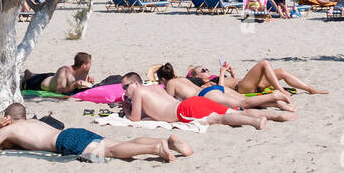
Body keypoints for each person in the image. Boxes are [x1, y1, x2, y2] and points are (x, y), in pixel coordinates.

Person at [0, 102, 191, 162]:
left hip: (66, 141)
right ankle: (167, 141)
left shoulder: (10, 128)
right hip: (74, 132)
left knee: (113, 152)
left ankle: (155, 147)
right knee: (116, 143)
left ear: (9, 118)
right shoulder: (33, 123)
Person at [122, 73, 294, 128]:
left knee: (220, 118)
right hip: (193, 102)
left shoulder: (138, 92)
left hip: (183, 111)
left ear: (135, 83)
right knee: (237, 109)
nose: (125, 91)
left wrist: (126, 109)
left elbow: (136, 118)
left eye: (125, 87)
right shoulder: (154, 88)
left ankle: (255, 122)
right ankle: (276, 115)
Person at [147, 63, 296, 111]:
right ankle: (278, 103)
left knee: (243, 103)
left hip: (207, 95)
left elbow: (169, 103)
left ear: (163, 79)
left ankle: (275, 95)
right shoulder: (182, 79)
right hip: (218, 89)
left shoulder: (172, 84)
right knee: (244, 103)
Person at [193, 59, 326, 96]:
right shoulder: (207, 84)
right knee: (264, 63)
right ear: (197, 76)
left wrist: (232, 73)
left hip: (246, 84)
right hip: (243, 89)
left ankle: (310, 89)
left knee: (282, 71)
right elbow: (220, 91)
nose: (207, 70)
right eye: (203, 70)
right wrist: (222, 73)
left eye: (206, 68)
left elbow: (234, 81)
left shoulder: (215, 77)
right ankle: (280, 89)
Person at [21, 52, 94, 95]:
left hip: (55, 78)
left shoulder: (84, 72)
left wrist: (88, 81)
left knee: (55, 77)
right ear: (84, 66)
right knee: (26, 81)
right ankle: (28, 75)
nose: (91, 65)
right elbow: (59, 91)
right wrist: (74, 85)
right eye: (90, 63)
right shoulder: (65, 71)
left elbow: (78, 83)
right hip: (38, 83)